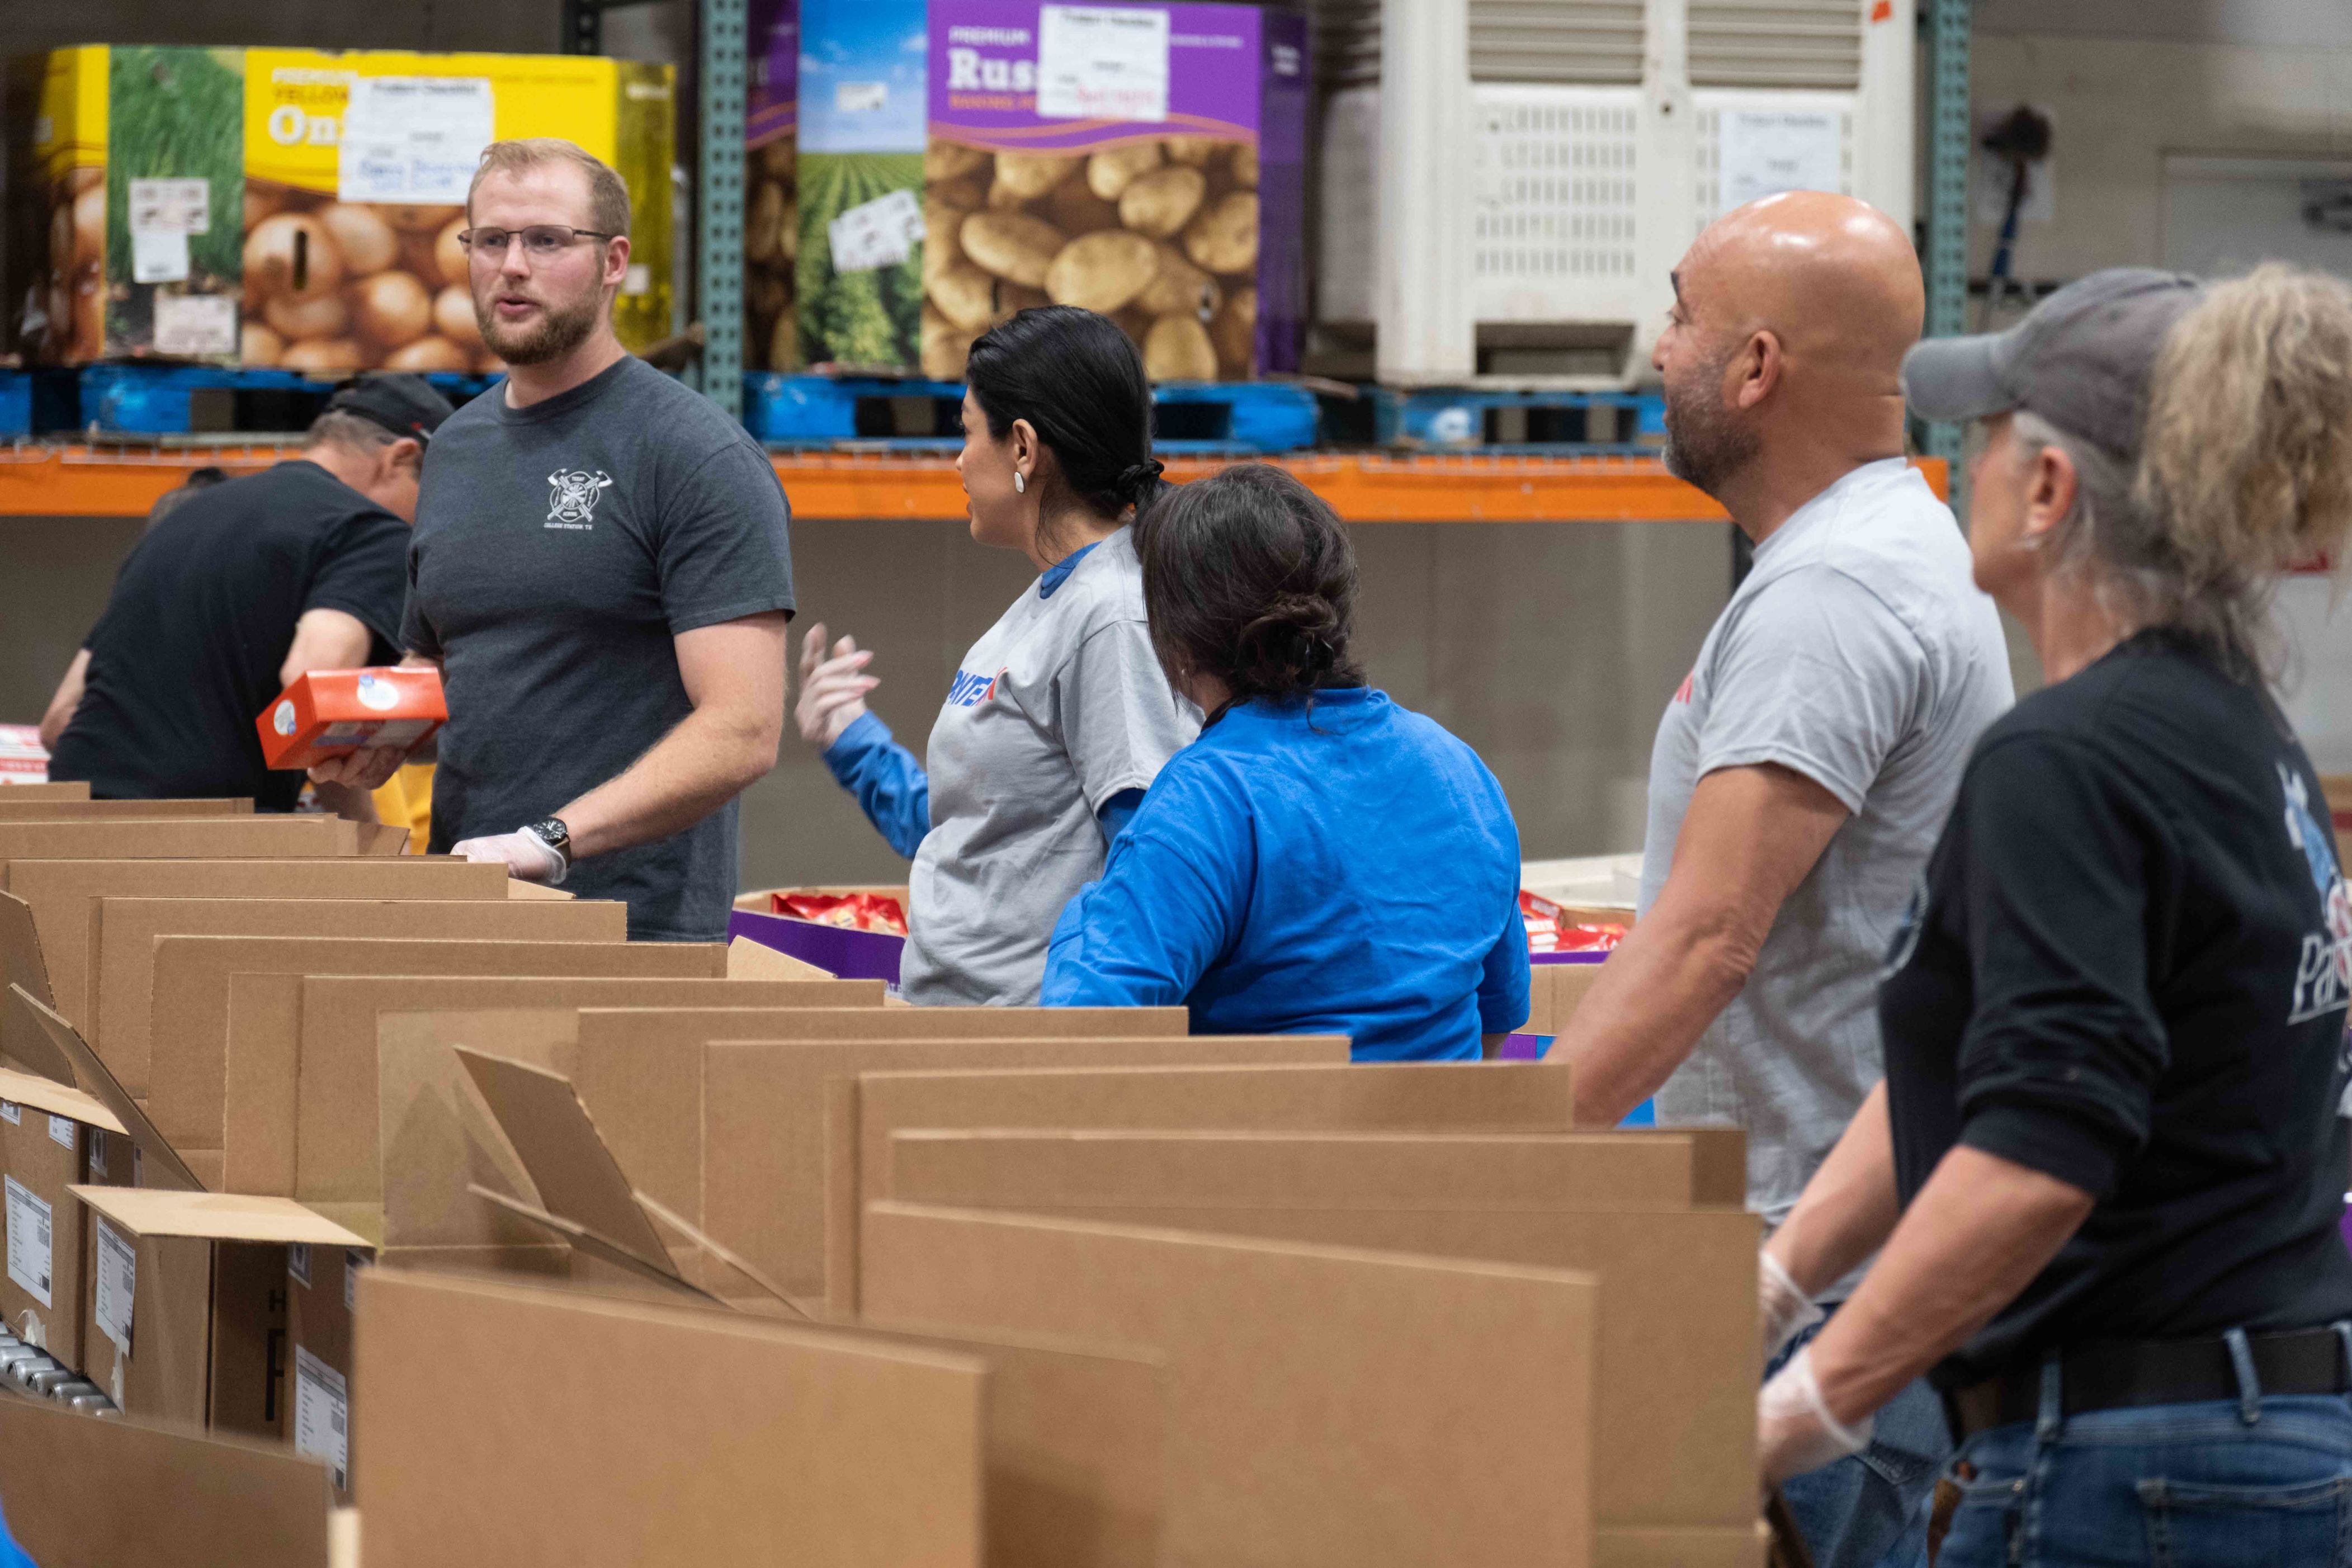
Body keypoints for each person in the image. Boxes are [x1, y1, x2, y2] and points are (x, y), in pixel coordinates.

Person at [1756, 264, 2352, 1566]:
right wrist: (1777, 1287)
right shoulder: (2234, 730)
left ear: (2047, 488)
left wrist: (1798, 1413)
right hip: (2268, 1440)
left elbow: (2036, 1149)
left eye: (1982, 436)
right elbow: (1998, 1060)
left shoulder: (2066, 761)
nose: (1957, 467)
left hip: (2127, 1474)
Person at [1550, 190, 2014, 1566]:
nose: (1658, 347)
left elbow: (1706, 939)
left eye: (1681, 314)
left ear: (1754, 366)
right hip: (1834, 1245)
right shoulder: (1881, 548)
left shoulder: (1834, 595)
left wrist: (1495, 1153)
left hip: (1814, 1263)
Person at [311, 138, 796, 941]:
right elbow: (440, 664)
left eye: (545, 240)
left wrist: (549, 842)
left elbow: (743, 730)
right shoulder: (456, 448)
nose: (512, 266)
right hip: (467, 910)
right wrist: (369, 737)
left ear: (613, 262)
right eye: (490, 240)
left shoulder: (693, 453)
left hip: (633, 937)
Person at [1038, 464, 1531, 1059]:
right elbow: (1496, 1022)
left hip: (1270, 1123)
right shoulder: (1461, 772)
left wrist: (1089, 914)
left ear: (1176, 639)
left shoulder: (1210, 798)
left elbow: (1082, 1033)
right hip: (1452, 1119)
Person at [794, 306, 1197, 1005]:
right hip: (956, 1022)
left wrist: (1066, 1032)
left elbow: (1154, 870)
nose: (957, 460)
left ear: (1022, 448)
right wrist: (854, 743)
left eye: (966, 430)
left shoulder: (1111, 616)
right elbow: (978, 835)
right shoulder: (1053, 604)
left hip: (1015, 1038)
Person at [41, 375, 454, 819]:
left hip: (67, 821)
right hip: (203, 834)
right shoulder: (369, 531)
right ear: (400, 458)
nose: (427, 521)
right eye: (434, 496)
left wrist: (366, 835)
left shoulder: (185, 517)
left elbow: (58, 720)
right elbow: (313, 684)